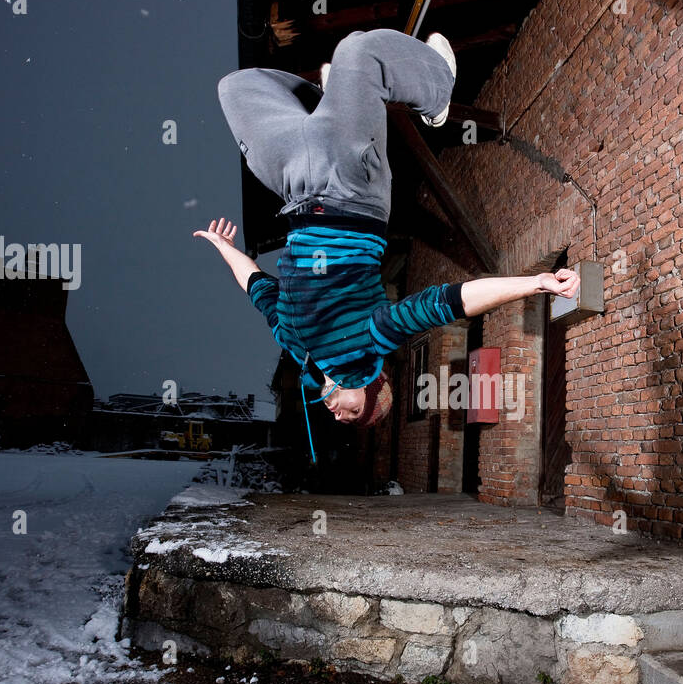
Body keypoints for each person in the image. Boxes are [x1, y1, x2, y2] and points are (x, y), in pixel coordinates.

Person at [195, 28, 579, 444]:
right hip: (351, 191)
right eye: (355, 411)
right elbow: (452, 302)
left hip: (295, 187)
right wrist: (534, 283)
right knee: (359, 51)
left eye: (343, 418)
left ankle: (330, 103)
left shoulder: (294, 346)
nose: (340, 415)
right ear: (370, 387)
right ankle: (436, 90)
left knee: (238, 87)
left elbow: (256, 286)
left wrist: (224, 248)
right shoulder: (371, 342)